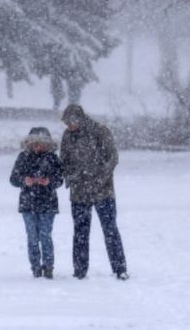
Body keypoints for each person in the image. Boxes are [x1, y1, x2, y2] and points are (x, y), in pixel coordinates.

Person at [60, 104, 129, 280]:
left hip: (103, 191)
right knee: (80, 232)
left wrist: (99, 178)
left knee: (110, 230)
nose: (68, 126)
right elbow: (64, 162)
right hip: (79, 192)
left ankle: (120, 268)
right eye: (66, 122)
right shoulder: (67, 136)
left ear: (79, 119)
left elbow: (112, 158)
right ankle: (80, 271)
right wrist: (71, 176)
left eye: (71, 121)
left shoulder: (100, 131)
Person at [9, 126, 63, 279]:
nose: (38, 147)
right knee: (32, 237)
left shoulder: (53, 159)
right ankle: (35, 267)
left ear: (48, 144)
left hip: (48, 203)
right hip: (28, 204)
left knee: (45, 235)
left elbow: (60, 179)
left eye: (42, 143)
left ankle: (48, 266)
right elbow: (13, 179)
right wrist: (24, 180)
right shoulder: (23, 157)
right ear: (29, 143)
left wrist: (49, 181)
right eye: (35, 143)